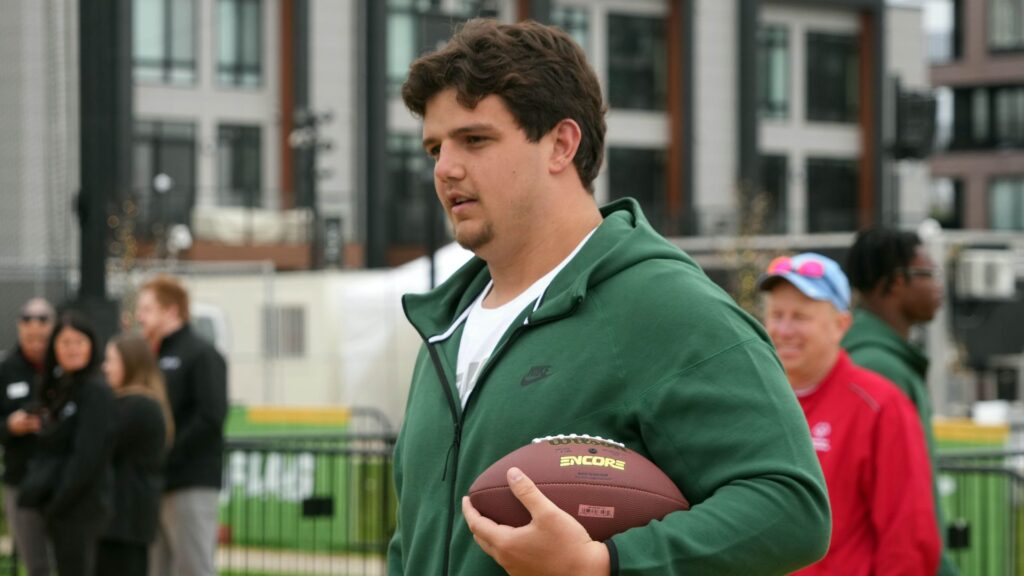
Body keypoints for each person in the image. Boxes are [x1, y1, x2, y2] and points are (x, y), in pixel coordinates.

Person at [388, 19, 830, 576]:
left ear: (561, 144)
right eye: (434, 147)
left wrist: (604, 564)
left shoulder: (667, 306)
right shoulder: (444, 326)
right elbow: (414, 540)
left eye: (475, 139)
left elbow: (792, 508)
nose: (445, 168)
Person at [759, 252, 940, 574]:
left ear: (840, 325)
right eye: (776, 314)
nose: (784, 330)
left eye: (800, 317)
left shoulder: (880, 406)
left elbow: (908, 537)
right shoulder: (751, 402)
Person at [843, 227, 959, 576]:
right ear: (896, 282)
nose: (939, 286)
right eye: (929, 274)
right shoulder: (877, 368)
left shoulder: (879, 360)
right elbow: (900, 502)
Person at [136, 274, 228, 576]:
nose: (140, 316)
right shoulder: (153, 355)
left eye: (147, 308)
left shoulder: (201, 353)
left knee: (192, 567)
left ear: (172, 310)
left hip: (190, 481)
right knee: (157, 568)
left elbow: (210, 417)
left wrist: (166, 454)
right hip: (158, 482)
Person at [18, 311, 115, 576]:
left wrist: (59, 501)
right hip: (59, 506)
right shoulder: (60, 388)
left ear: (92, 346)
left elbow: (87, 455)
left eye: (79, 342)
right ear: (55, 349)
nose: (72, 349)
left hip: (80, 505)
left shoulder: (96, 391)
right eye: (65, 342)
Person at [97, 332, 174, 576]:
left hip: (124, 522)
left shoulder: (138, 406)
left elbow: (99, 445)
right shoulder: (134, 404)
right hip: (122, 521)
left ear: (129, 363)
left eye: (111, 360)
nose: (105, 367)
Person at [0, 298, 55, 576]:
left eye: (42, 338)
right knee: (36, 564)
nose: (36, 344)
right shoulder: (6, 370)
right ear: (20, 330)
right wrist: (10, 426)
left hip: (60, 478)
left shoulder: (64, 368)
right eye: (30, 337)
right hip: (21, 477)